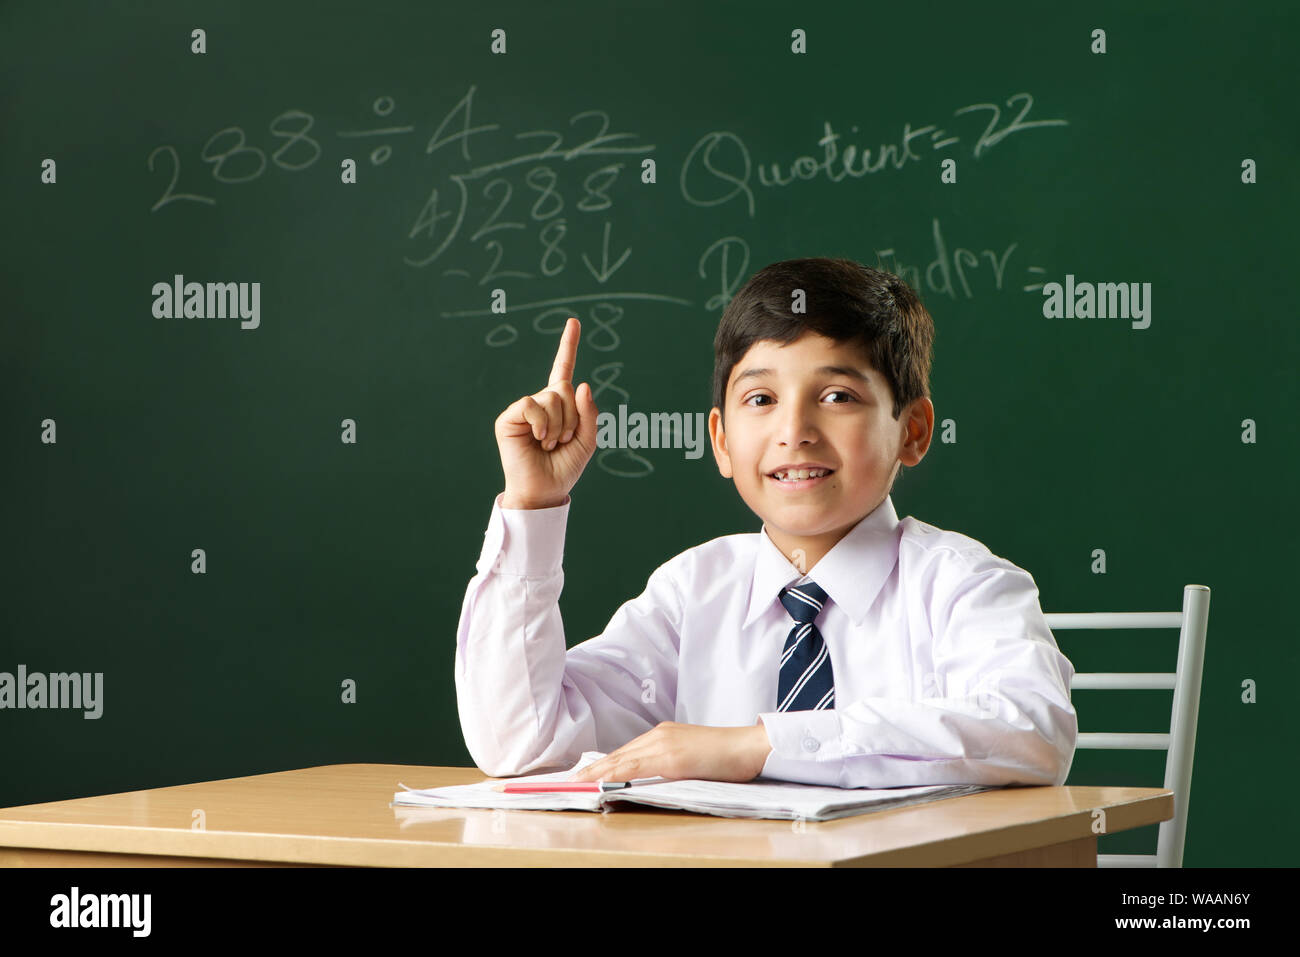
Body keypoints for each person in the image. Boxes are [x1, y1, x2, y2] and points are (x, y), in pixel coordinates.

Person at [455, 257, 1077, 789]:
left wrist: (757, 746)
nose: (794, 431)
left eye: (838, 396)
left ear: (911, 431)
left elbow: (1031, 729)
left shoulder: (962, 585)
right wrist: (532, 506)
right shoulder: (691, 591)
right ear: (722, 442)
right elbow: (521, 746)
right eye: (761, 399)